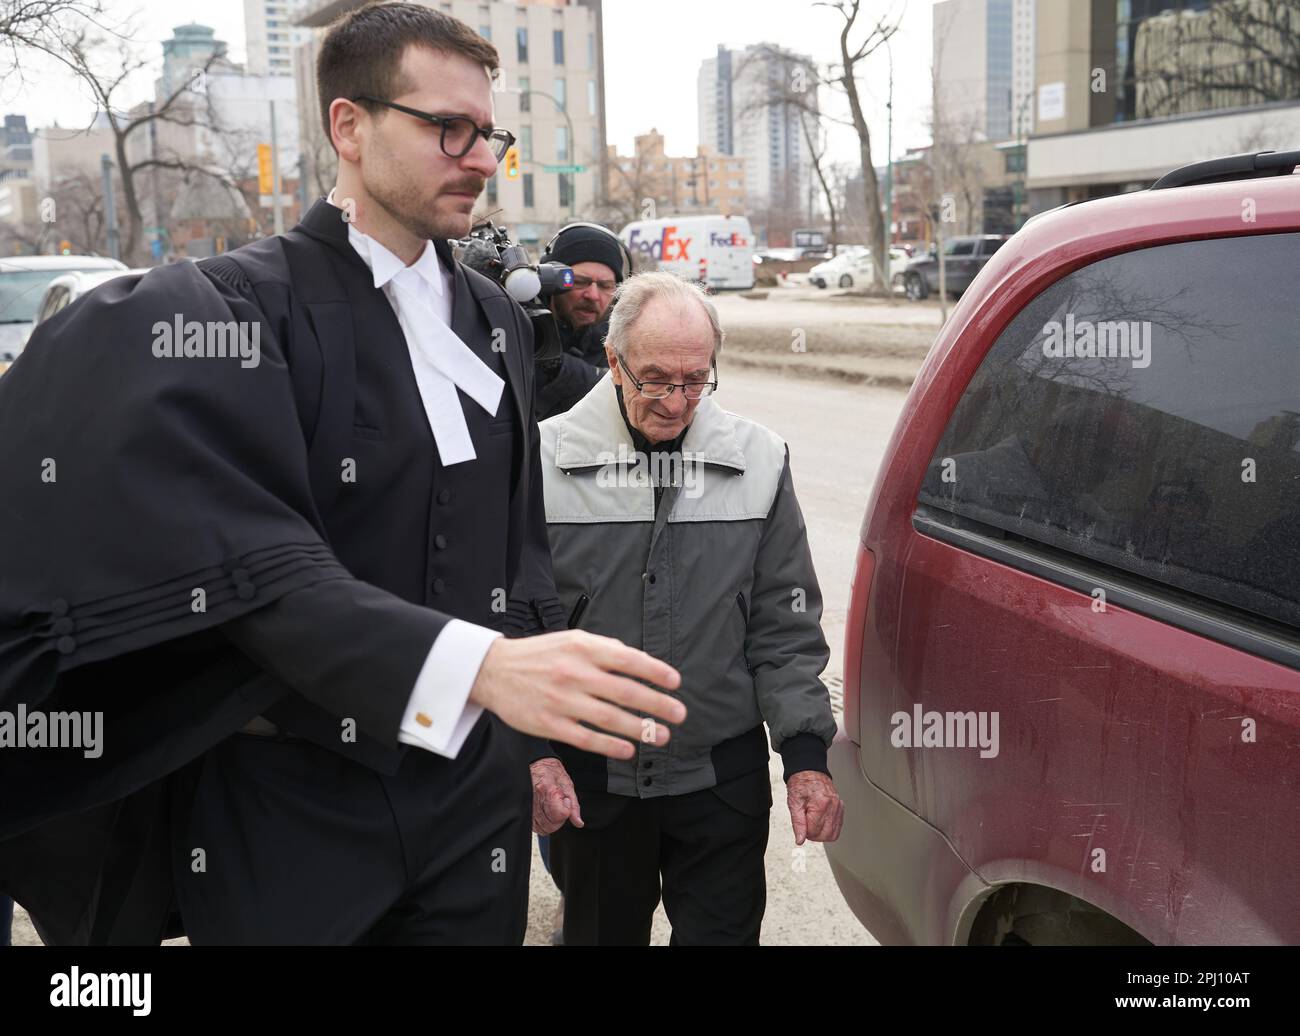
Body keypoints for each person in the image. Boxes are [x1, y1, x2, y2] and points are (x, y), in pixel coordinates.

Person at [0, 1, 683, 946]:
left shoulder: (490, 317)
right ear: (348, 126)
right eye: (449, 128)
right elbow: (256, 569)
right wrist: (483, 670)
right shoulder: (239, 311)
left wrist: (523, 742)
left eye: (491, 134)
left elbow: (514, 552)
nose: (482, 158)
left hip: (470, 794)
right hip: (288, 804)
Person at [532, 272, 844, 945]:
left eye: (695, 380)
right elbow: (515, 629)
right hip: (595, 782)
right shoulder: (543, 462)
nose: (677, 403)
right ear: (613, 362)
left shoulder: (758, 459)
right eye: (655, 380)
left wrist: (806, 758)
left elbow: (784, 625)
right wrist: (531, 753)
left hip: (720, 783)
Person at [534, 222, 630, 422]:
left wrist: (561, 367)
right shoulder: (518, 324)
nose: (593, 295)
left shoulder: (622, 342)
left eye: (605, 285)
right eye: (579, 282)